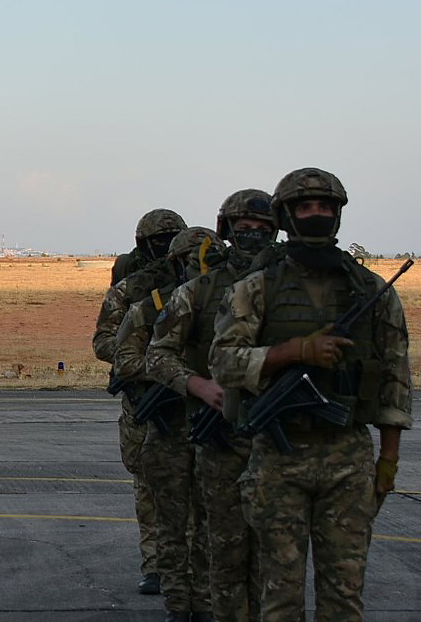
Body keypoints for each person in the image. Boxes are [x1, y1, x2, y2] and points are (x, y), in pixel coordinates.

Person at [210, 167, 412, 622]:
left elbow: (395, 379)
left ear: (338, 215)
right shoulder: (256, 287)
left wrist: (388, 462)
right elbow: (223, 362)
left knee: (344, 598)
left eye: (325, 206)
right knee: (279, 599)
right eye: (305, 207)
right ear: (288, 215)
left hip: (348, 458)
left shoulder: (372, 290)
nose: (316, 214)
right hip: (278, 461)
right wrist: (294, 351)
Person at [146, 190, 276, 622]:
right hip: (219, 434)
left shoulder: (288, 285)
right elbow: (157, 355)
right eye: (243, 228)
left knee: (275, 556)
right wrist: (199, 386)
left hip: (281, 439)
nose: (253, 236)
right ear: (225, 230)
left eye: (263, 229)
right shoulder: (196, 292)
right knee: (221, 549)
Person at [115, 227, 220, 622]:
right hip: (169, 423)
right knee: (173, 523)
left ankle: (208, 603)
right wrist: (177, 376)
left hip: (217, 427)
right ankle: (178, 603)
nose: (202, 269)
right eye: (193, 262)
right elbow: (124, 358)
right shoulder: (153, 304)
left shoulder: (235, 302)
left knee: (216, 524)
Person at [93, 208, 186, 595]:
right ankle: (156, 565)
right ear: (144, 246)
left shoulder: (199, 289)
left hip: (185, 401)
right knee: (147, 484)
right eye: (158, 243)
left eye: (172, 242)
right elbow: (103, 343)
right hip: (143, 399)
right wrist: (147, 356)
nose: (165, 250)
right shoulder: (130, 290)